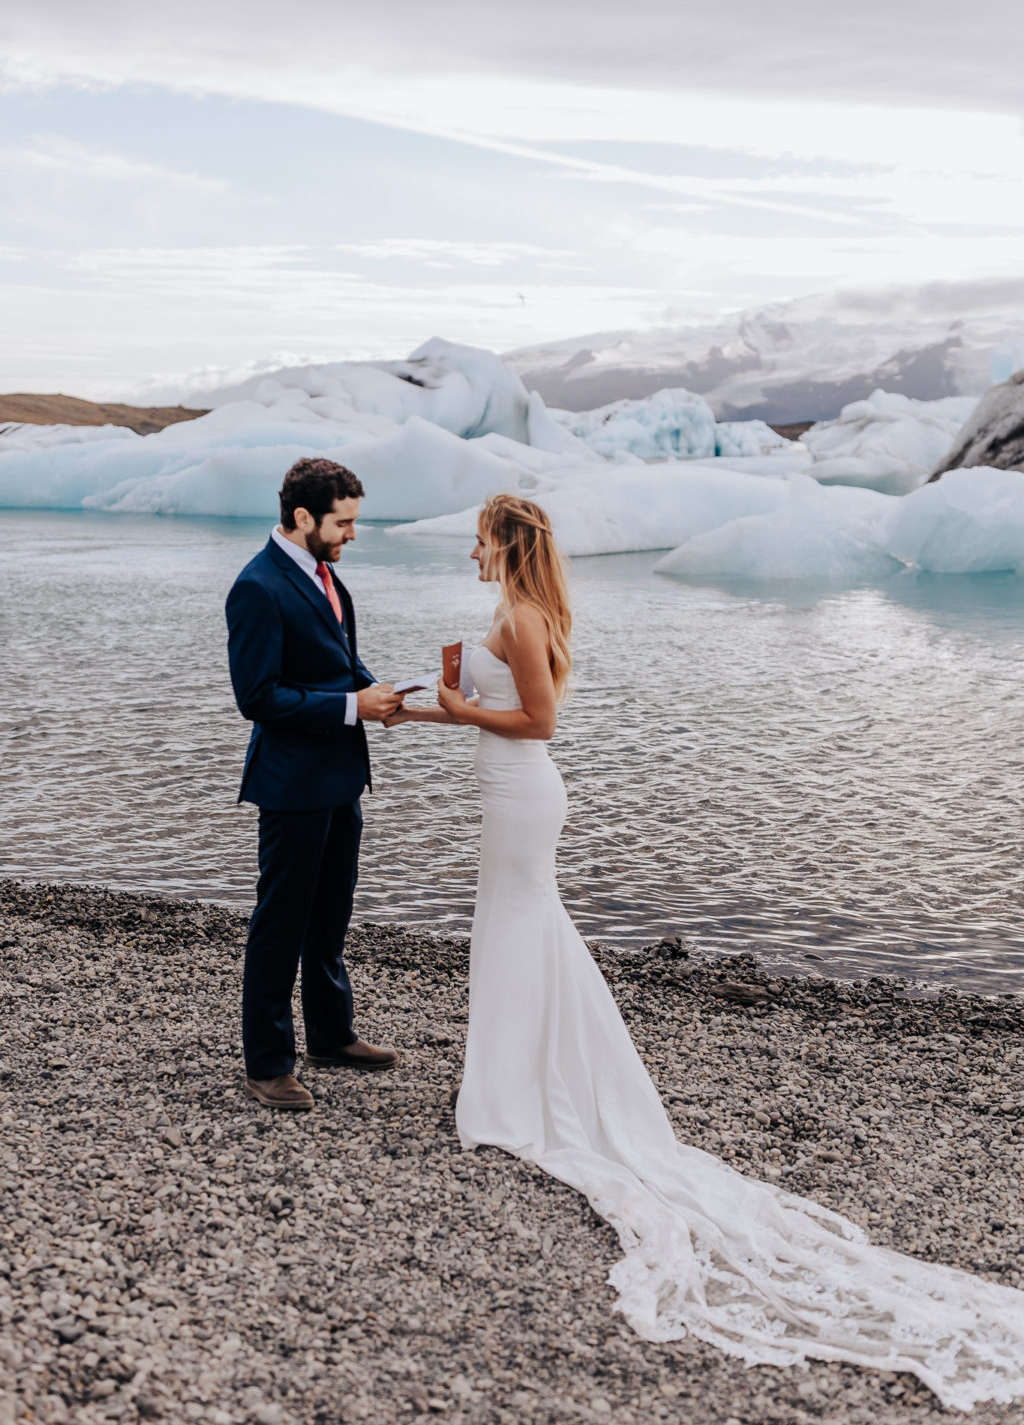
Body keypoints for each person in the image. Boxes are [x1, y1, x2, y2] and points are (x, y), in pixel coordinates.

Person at [391, 491, 1024, 1411]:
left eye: (478, 539)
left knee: (524, 925)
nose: (470, 551)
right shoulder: (508, 614)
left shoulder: (524, 617)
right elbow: (491, 710)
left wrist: (460, 706)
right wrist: (423, 714)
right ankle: (517, 1076)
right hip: (505, 793)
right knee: (518, 930)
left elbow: (538, 725)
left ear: (505, 544)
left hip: (526, 794)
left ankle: (519, 1093)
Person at [225, 457, 403, 1111]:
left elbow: (341, 665)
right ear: (303, 518)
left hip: (341, 776)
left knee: (330, 914)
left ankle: (331, 1034)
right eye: (344, 522)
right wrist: (354, 707)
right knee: (282, 920)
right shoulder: (258, 587)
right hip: (292, 782)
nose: (352, 534)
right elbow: (259, 697)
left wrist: (385, 695)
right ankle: (268, 1062)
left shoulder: (326, 575)